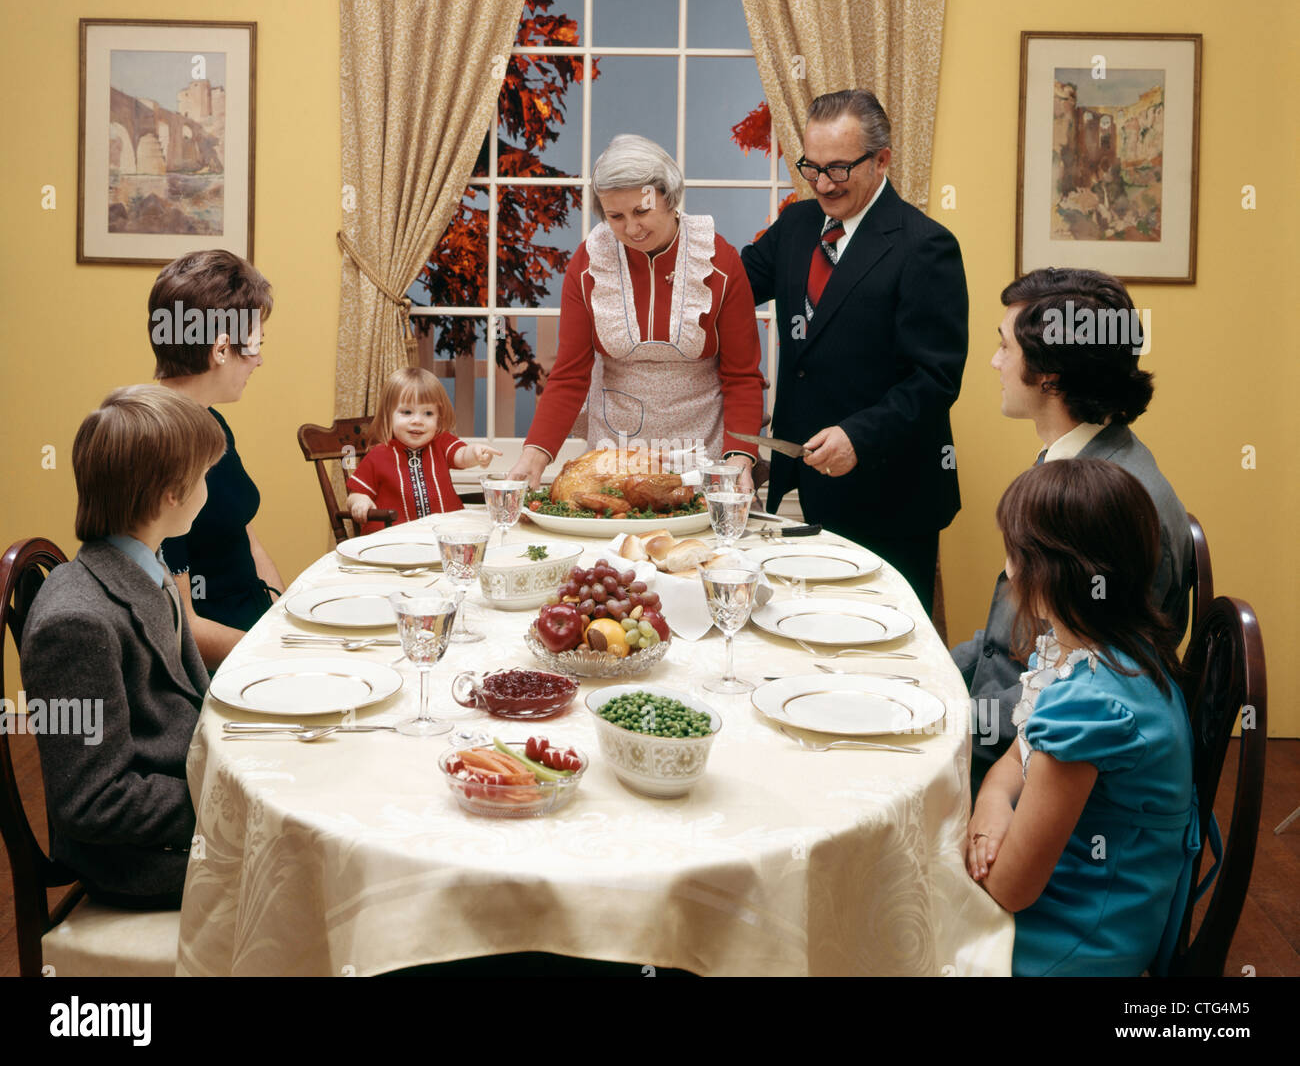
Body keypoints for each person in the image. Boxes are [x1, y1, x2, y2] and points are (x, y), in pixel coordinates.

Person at [952, 266, 1192, 792]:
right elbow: (1006, 644)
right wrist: (923, 676)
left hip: (1039, 782)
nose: (994, 361)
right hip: (1005, 731)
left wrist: (942, 728)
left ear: (1050, 376)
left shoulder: (1104, 506)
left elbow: (1078, 694)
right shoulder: (1082, 462)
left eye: (1006, 348)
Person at [967, 459, 1197, 976]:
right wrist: (991, 806)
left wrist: (988, 834)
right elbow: (1016, 755)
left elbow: (1011, 888)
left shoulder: (1087, 709)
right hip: (1101, 906)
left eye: (1013, 554)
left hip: (1076, 942)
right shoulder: (1112, 649)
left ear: (1044, 574)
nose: (1007, 571)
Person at [741, 89, 968, 614]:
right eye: (812, 167)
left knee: (879, 656)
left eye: (838, 169)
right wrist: (655, 232)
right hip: (799, 488)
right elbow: (730, 290)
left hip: (890, 497)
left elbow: (934, 380)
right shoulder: (796, 225)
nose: (822, 184)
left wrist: (857, 437)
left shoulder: (925, 246)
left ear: (882, 159)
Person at [20, 386, 226, 909]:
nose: (210, 489)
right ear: (170, 495)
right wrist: (230, 800)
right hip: (144, 856)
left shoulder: (146, 564)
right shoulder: (75, 623)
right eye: (204, 477)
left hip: (191, 796)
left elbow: (188, 701)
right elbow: (91, 801)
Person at [508, 134, 765, 491]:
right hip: (614, 456)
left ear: (669, 198)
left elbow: (742, 378)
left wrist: (739, 458)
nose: (631, 228)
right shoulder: (588, 266)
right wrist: (534, 456)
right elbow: (569, 376)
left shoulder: (718, 262)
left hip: (699, 457)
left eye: (641, 211)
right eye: (616, 216)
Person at [148, 249, 283, 669]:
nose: (260, 360)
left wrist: (283, 615)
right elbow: (181, 626)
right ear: (221, 349)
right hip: (216, 669)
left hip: (255, 632)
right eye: (255, 345)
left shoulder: (210, 421)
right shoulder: (161, 448)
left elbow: (245, 536)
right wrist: (278, 655)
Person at [345, 366, 501, 534]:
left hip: (445, 534)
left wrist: (476, 452)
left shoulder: (441, 443)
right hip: (396, 539)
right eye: (406, 412)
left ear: (438, 418)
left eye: (428, 413)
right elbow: (356, 493)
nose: (417, 420)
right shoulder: (378, 455)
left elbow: (461, 456)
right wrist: (360, 502)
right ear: (388, 415)